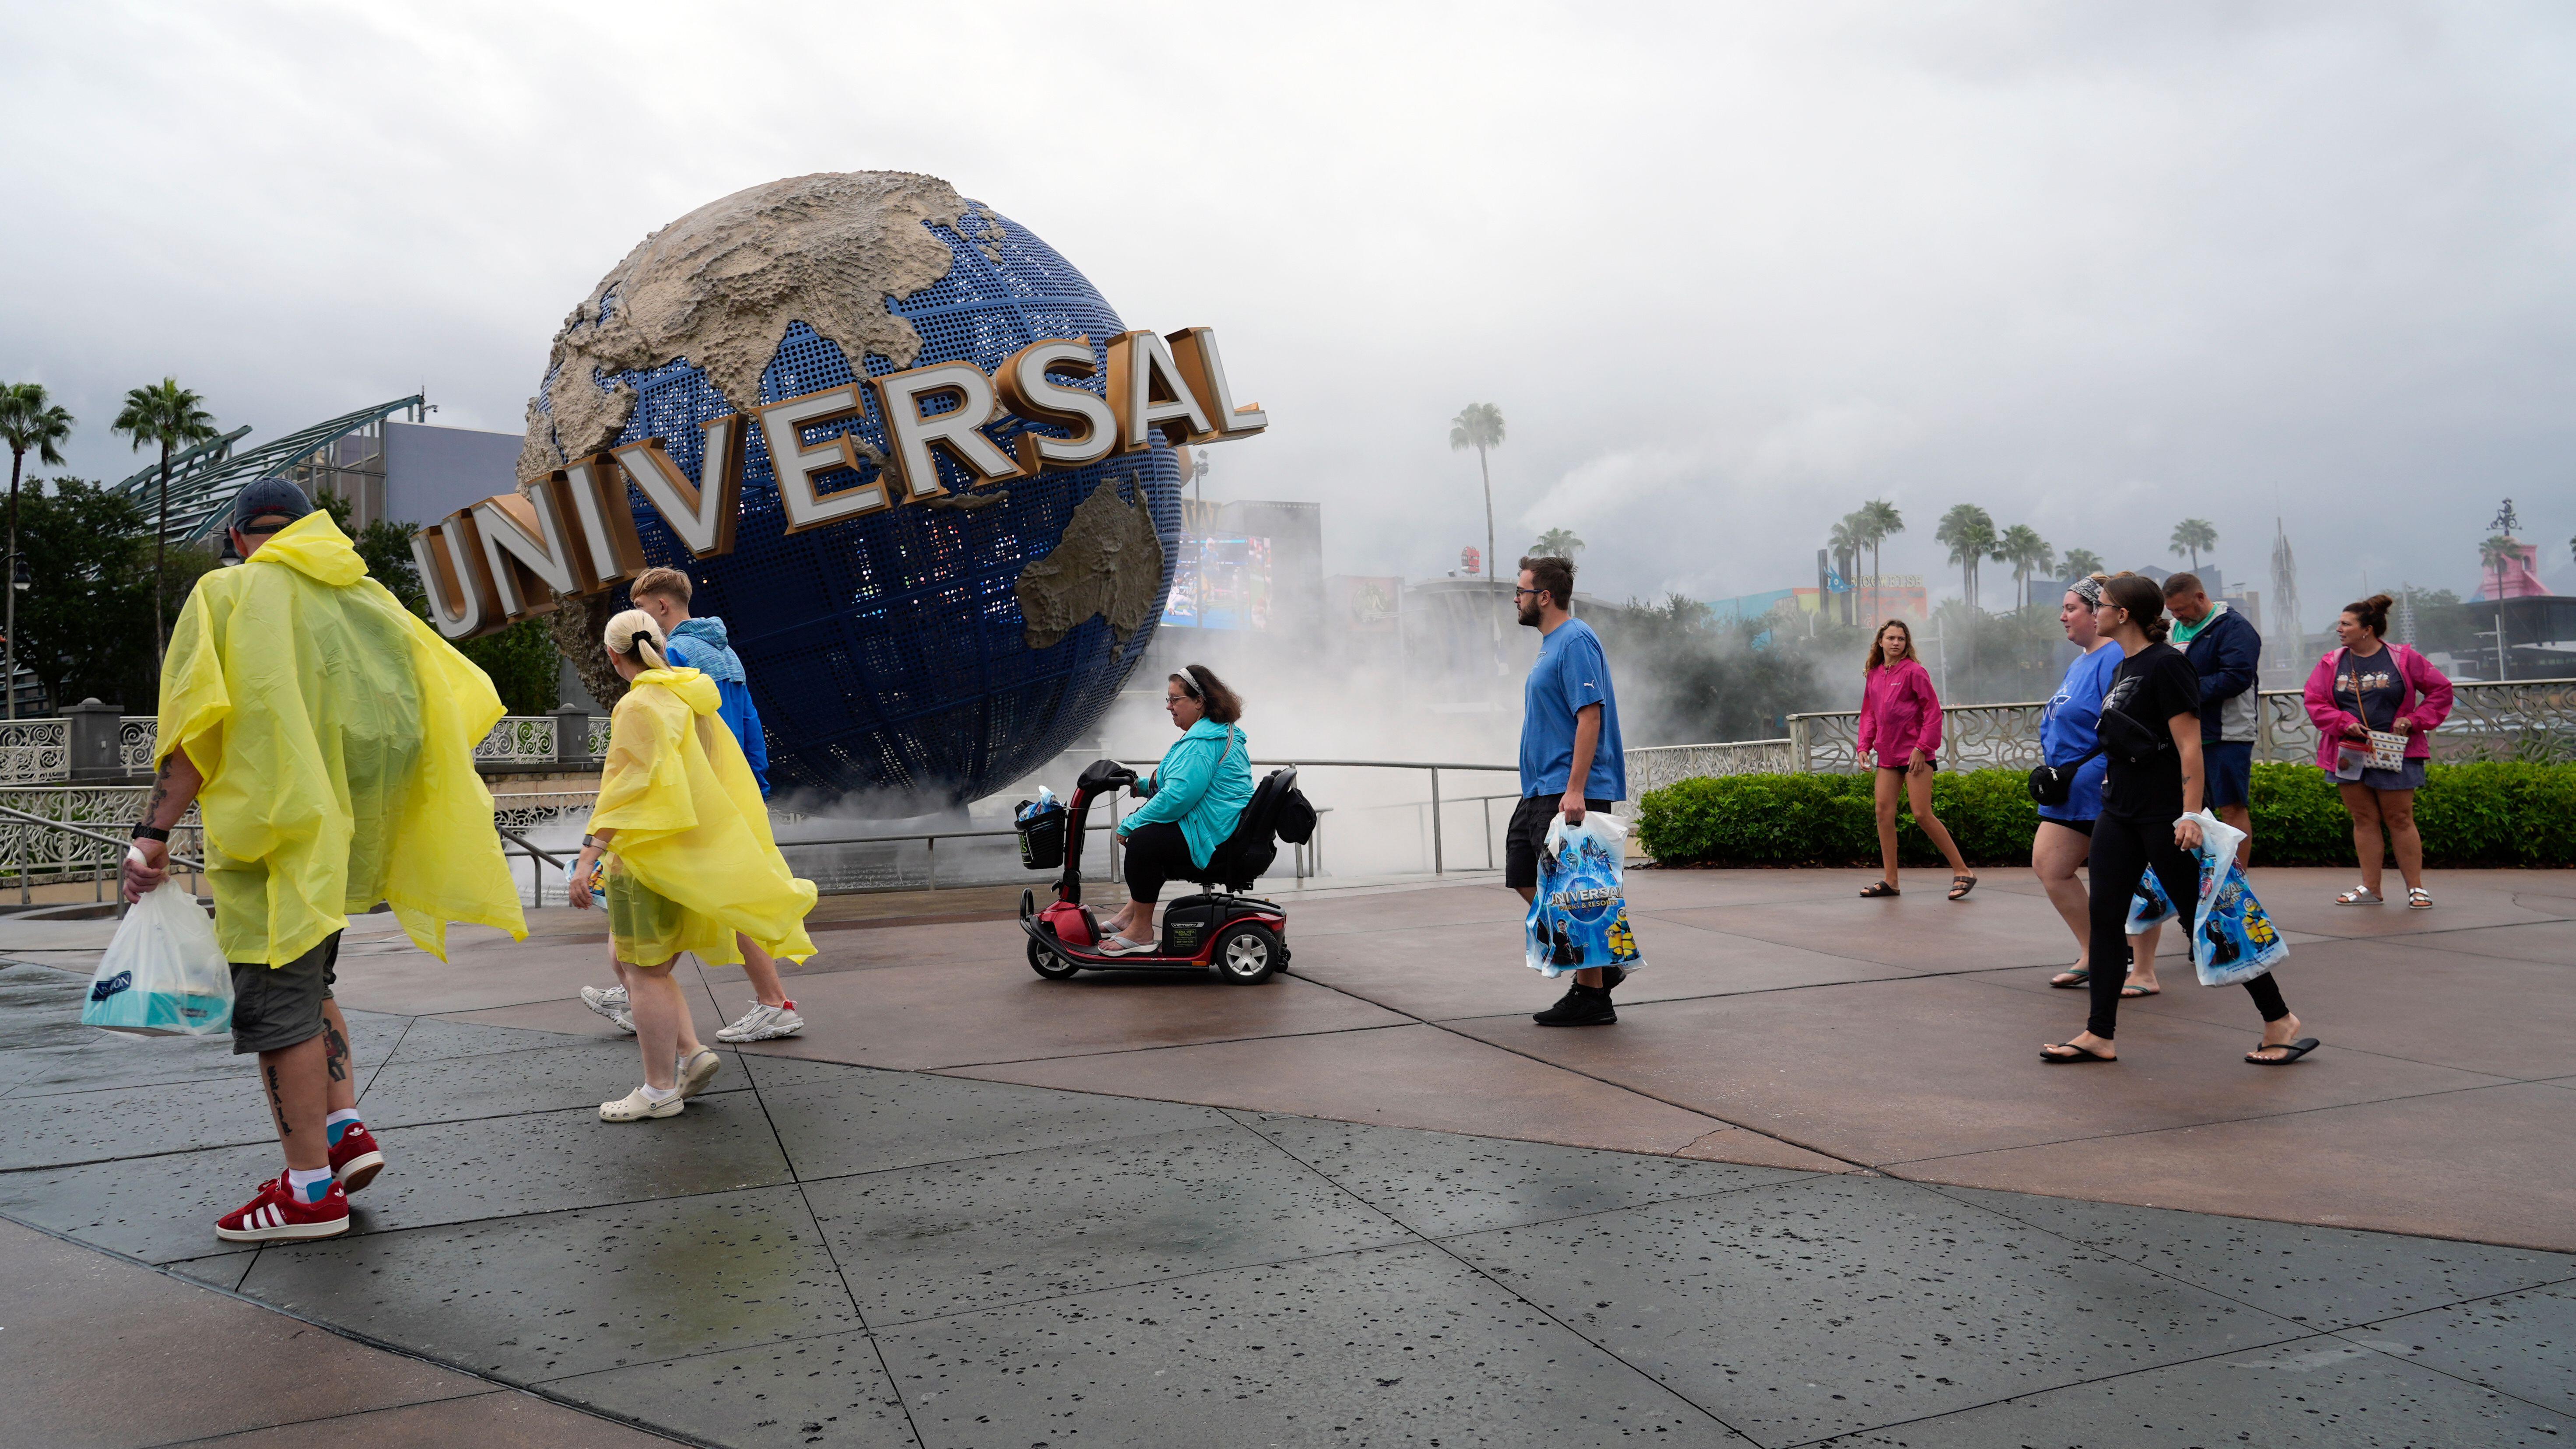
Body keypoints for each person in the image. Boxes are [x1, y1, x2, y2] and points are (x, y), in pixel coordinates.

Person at [120, 478, 526, 1242]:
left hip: (273, 848)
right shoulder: (369, 603)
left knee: (278, 1015)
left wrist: (153, 834)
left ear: (240, 536)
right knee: (315, 987)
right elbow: (415, 719)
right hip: (339, 848)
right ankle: (343, 1131)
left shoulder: (227, 595)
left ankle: (308, 1194)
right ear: (314, 530)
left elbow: (193, 731)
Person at [2043, 573, 2314, 1066]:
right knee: (2106, 918)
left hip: (2164, 815)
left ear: (2122, 614)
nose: (2094, 610)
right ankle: (2098, 1033)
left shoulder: (2167, 664)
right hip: (2118, 810)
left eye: (2099, 605)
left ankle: (2280, 1020)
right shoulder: (2124, 665)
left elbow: (2191, 745)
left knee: (2204, 917)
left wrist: (2190, 813)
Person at [569, 610, 817, 1120]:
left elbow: (624, 789)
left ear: (615, 657)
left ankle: (659, 1089)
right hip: (691, 852)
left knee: (643, 972)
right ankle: (690, 1052)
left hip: (649, 857)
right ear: (659, 644)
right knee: (629, 958)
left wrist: (588, 856)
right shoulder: (693, 693)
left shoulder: (638, 705)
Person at [1508, 555, 1632, 1027]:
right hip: (1540, 787)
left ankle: (1592, 995)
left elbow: (1590, 715)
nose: (1515, 600)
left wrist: (1576, 788)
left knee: (1576, 892)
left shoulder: (1576, 639)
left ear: (1544, 596)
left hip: (1566, 788)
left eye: (1521, 591)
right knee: (1523, 872)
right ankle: (1602, 963)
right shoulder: (1550, 644)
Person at [2302, 593, 2454, 909]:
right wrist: (2343, 722)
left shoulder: (2403, 658)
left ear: (2367, 629)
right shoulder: (2332, 662)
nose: (2339, 629)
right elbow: (2315, 701)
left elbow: (2441, 690)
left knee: (2400, 817)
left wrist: (2415, 720)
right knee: (2363, 817)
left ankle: (2417, 888)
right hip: (2349, 750)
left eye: (2346, 624)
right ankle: (2371, 887)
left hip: (2395, 750)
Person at [1098, 664, 1253, 954]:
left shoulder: (1203, 742)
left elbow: (1179, 797)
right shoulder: (1212, 732)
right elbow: (1181, 780)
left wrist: (1131, 823)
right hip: (1219, 825)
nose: (1169, 706)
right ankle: (1130, 916)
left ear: (1199, 701)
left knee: (1143, 843)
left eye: (1175, 699)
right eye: (1167, 699)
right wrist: (1142, 785)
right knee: (1150, 837)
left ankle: (1142, 931)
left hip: (1214, 834)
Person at [2036, 577, 2139, 993]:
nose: (2063, 616)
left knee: (2122, 879)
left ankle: (2134, 961)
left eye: (2071, 608)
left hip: (2100, 789)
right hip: (2069, 790)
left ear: (2098, 612)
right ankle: (2097, 951)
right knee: (2050, 865)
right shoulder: (2081, 661)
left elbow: (2119, 727)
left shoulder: (2113, 656)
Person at [1855, 619, 1975, 901]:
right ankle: (1891, 881)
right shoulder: (1873, 674)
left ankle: (1964, 871)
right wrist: (1864, 745)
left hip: (1915, 754)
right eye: (1891, 638)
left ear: (1906, 644)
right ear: (1880, 642)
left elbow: (1933, 711)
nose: (1896, 643)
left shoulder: (1915, 672)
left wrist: (1922, 747)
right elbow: (1869, 714)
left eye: (1901, 639)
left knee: (1922, 814)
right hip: (1888, 754)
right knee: (1883, 814)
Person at [2164, 573, 2261, 867]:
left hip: (2226, 733)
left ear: (2201, 597)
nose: (2179, 615)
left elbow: (2235, 678)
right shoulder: (2171, 630)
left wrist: (2183, 691)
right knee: (2192, 810)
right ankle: (2203, 877)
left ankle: (2237, 879)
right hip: (2185, 736)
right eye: (2172, 611)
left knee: (2231, 806)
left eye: (2182, 609)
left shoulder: (2234, 627)